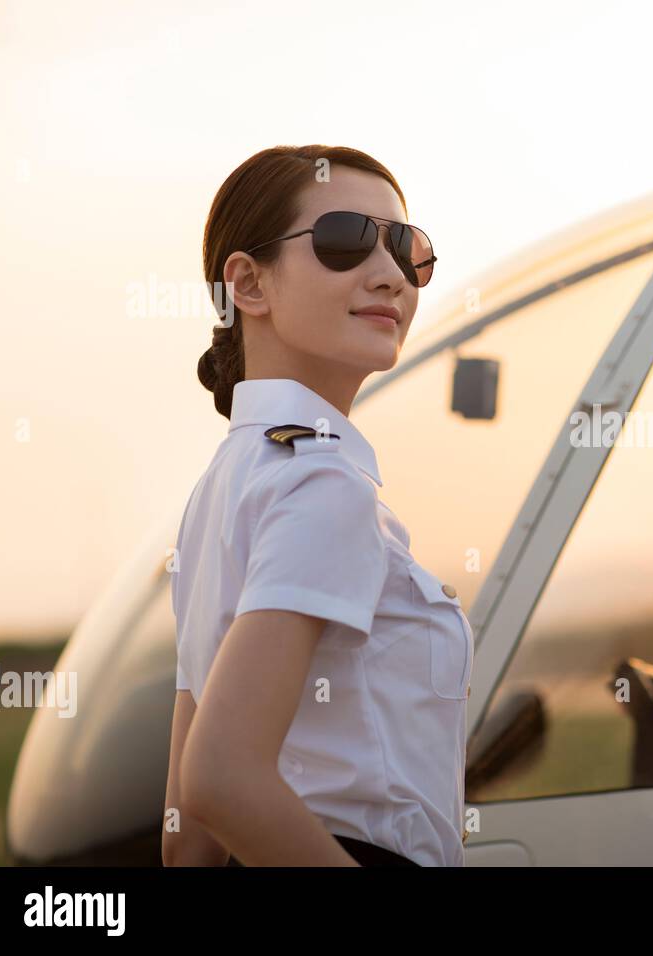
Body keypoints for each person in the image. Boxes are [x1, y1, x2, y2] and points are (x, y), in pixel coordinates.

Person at [161, 145, 471, 867]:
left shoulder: (224, 487)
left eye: (406, 248)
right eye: (344, 240)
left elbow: (186, 844)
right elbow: (219, 780)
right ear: (248, 283)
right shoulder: (320, 486)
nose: (391, 274)